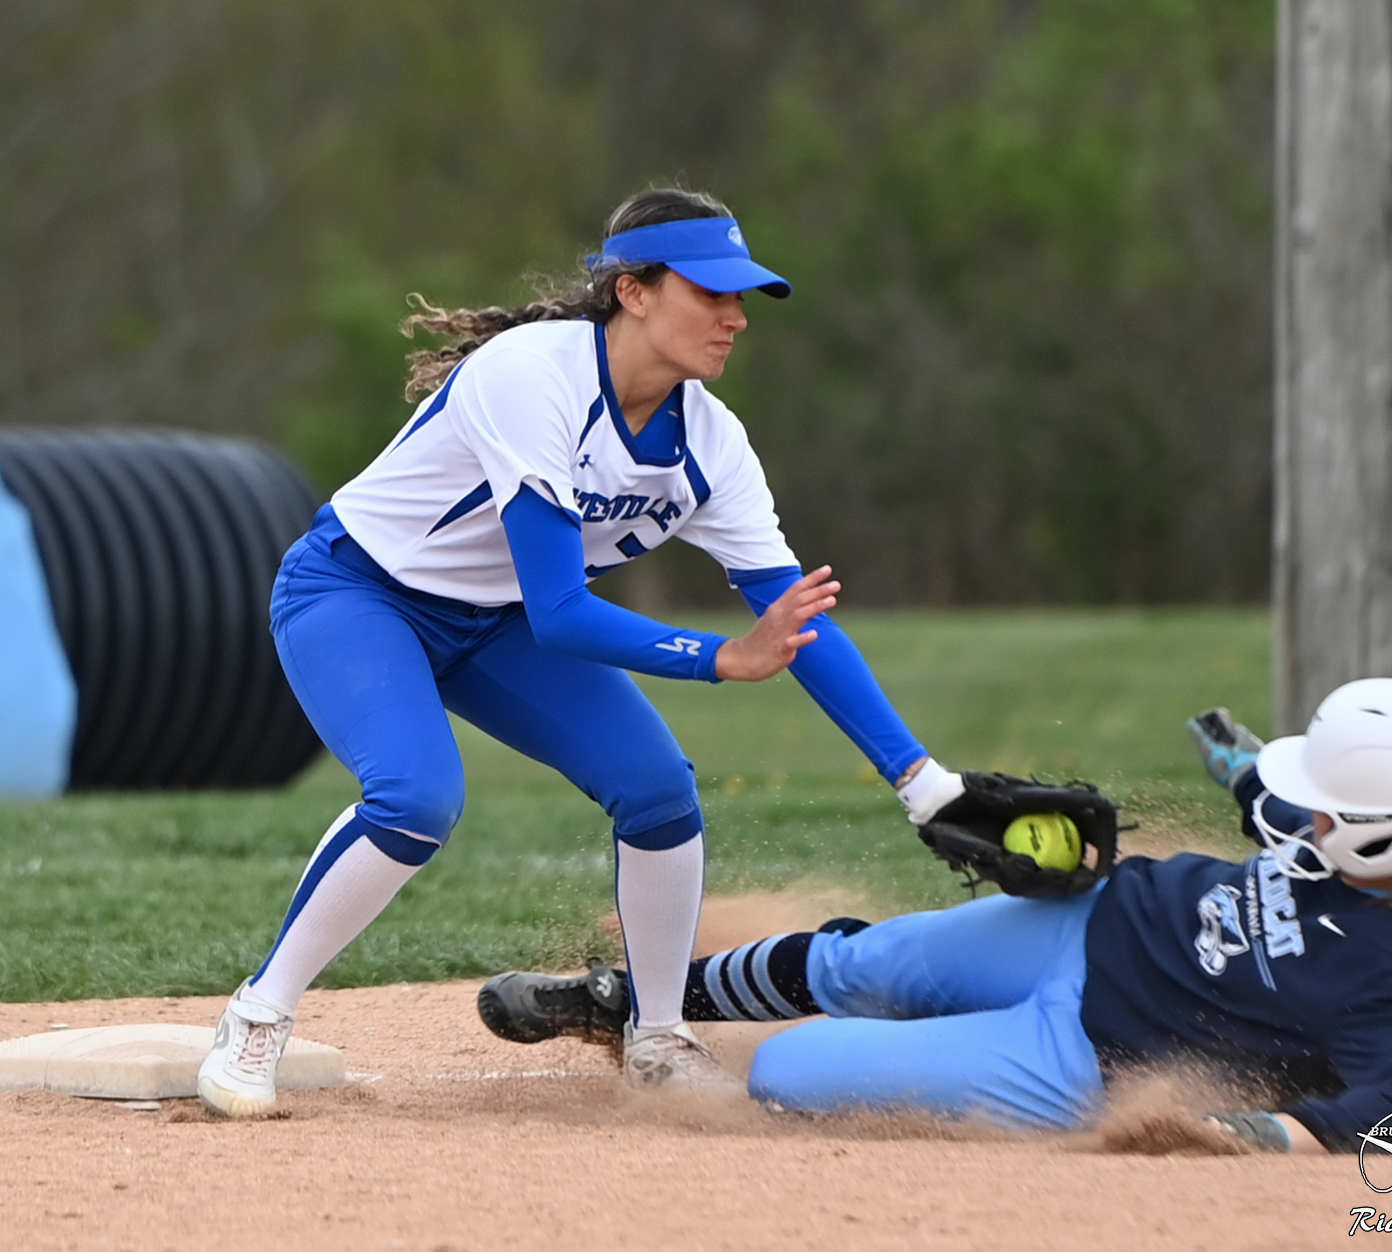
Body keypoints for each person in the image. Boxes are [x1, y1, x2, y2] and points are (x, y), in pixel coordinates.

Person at [196, 187, 968, 1117]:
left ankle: (656, 1034)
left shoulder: (712, 445)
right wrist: (720, 658)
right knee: (417, 795)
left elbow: (799, 619)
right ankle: (259, 1015)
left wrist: (923, 782)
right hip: (359, 593)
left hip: (500, 620)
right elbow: (564, 613)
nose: (734, 318)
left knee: (657, 790)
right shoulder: (533, 376)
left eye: (744, 298)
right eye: (710, 292)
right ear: (634, 292)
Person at [482, 678, 1392, 1152]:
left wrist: (1249, 1132)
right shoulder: (1337, 836)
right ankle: (633, 1002)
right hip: (1084, 923)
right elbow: (1265, 798)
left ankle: (881, 1046)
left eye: (1322, 796)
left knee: (793, 1072)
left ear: (1383, 830)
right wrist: (1231, 758)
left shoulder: (1389, 975)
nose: (1294, 803)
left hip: (1078, 1054)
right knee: (862, 959)